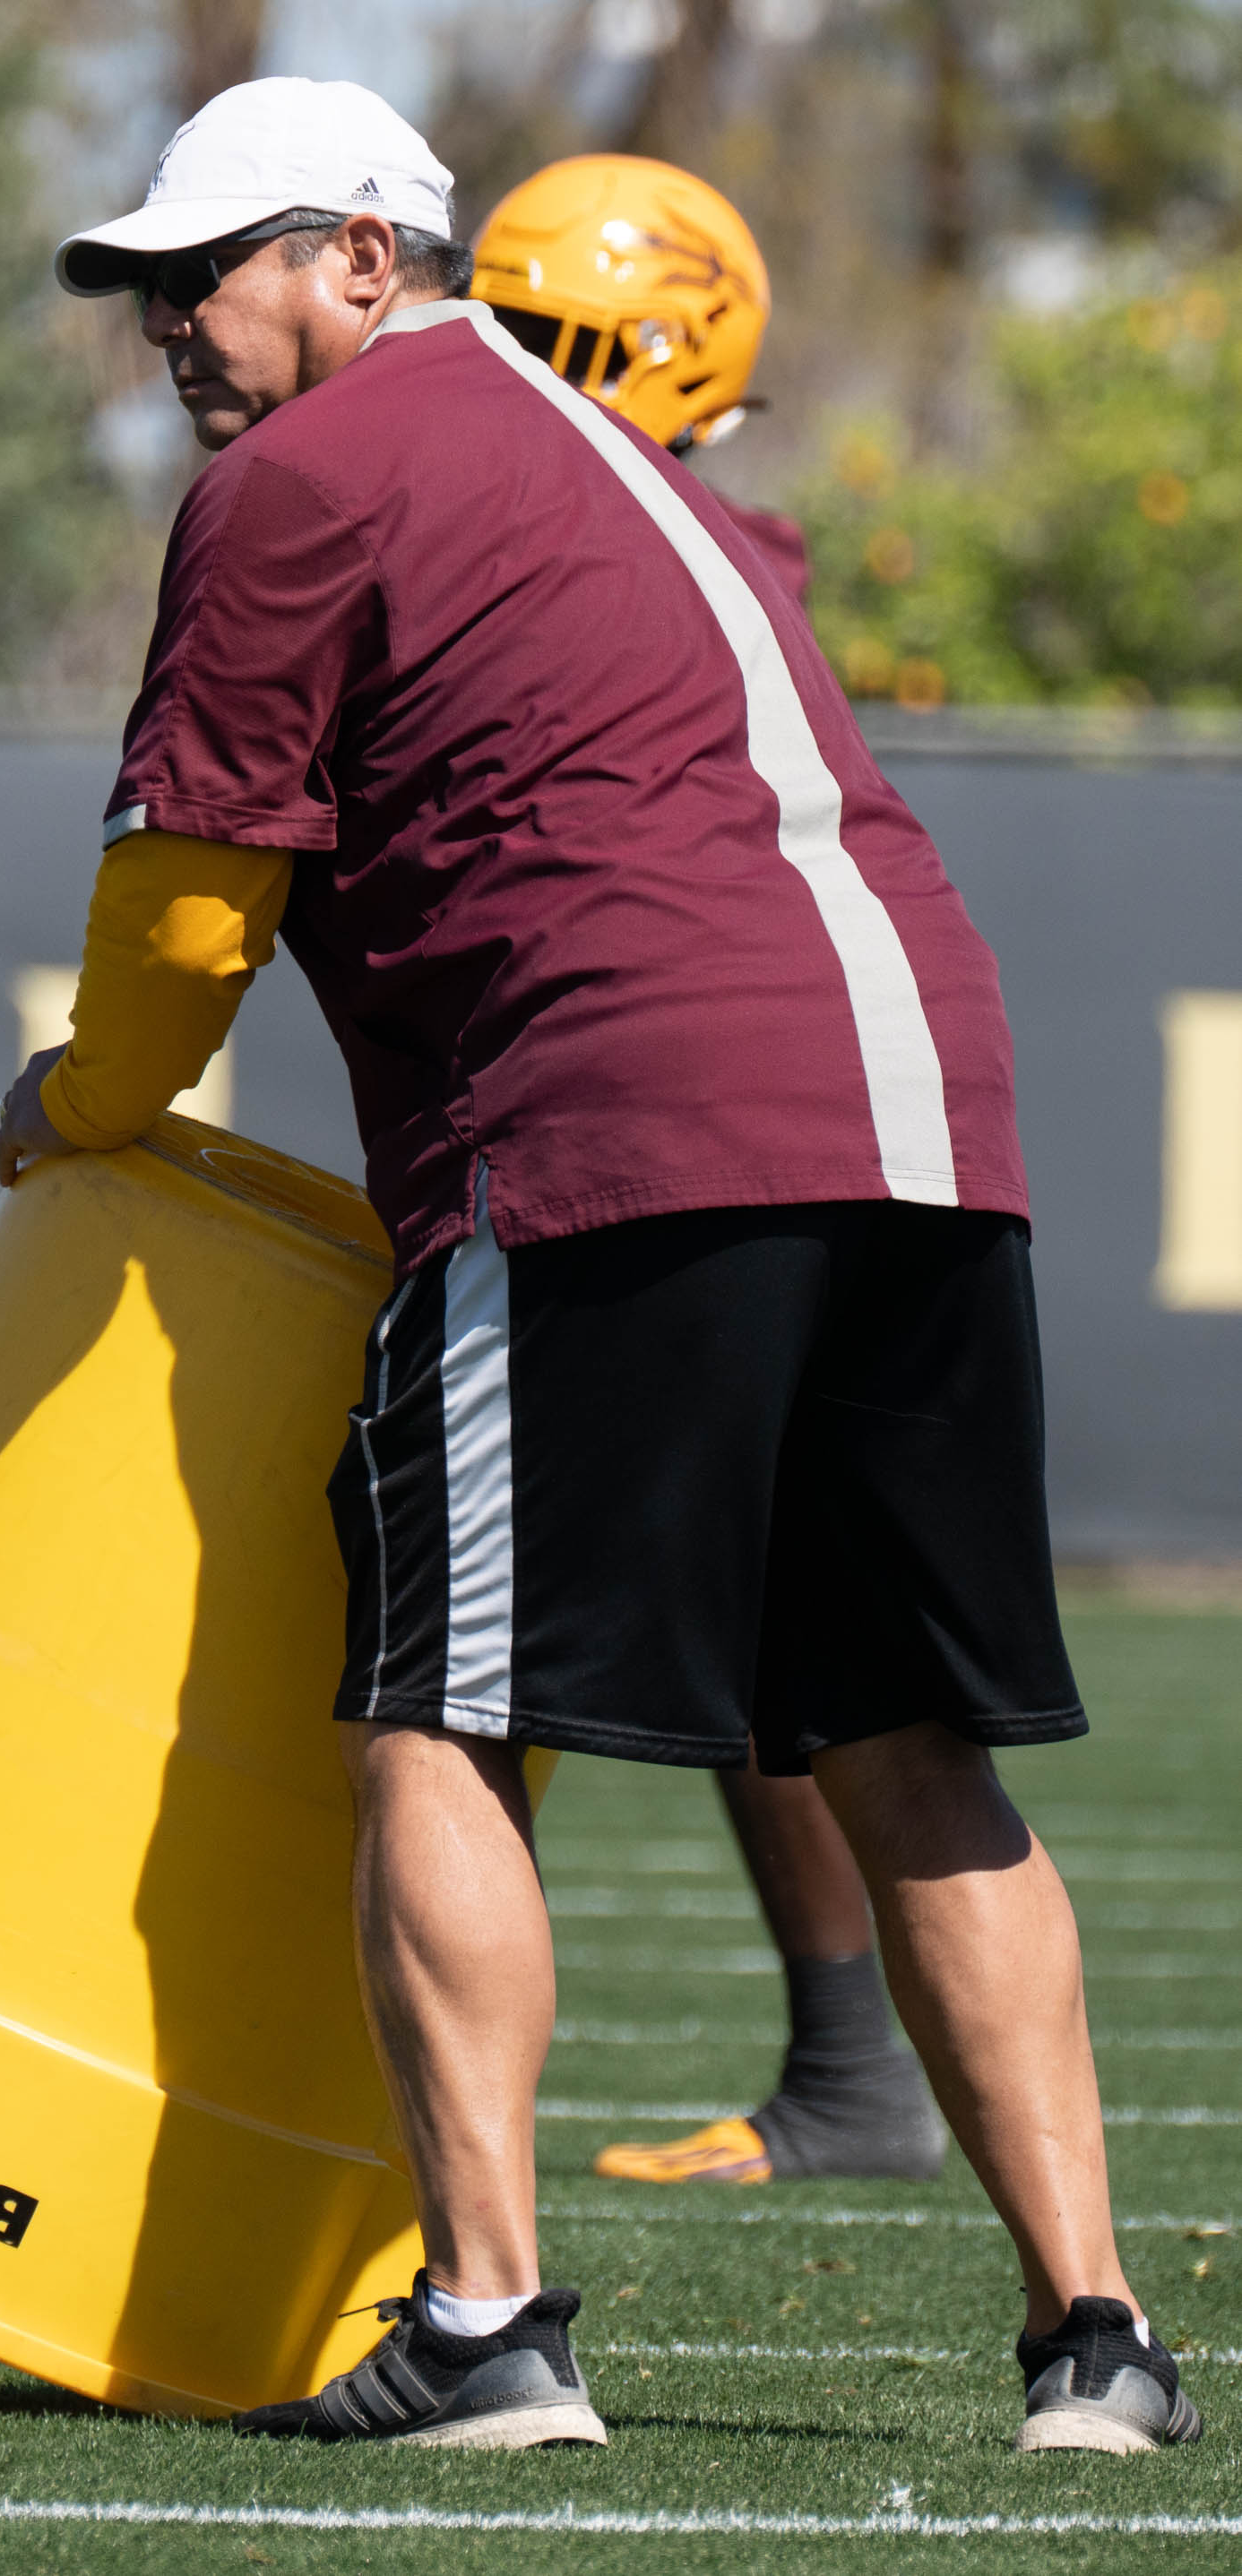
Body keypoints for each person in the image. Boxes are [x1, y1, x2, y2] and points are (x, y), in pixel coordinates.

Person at [7, 79, 1194, 2454]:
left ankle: (484, 2321)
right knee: (904, 1729)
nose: (167, 326)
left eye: (203, 273)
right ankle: (1098, 2337)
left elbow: (190, 909)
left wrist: (91, 1099)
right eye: (146, 290)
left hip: (614, 1118)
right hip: (920, 1112)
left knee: (437, 1708)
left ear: (361, 257)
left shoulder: (306, 477)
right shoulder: (653, 472)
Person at [475, 154, 945, 2192]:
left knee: (463, 1656)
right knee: (784, 1620)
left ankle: (419, 2170)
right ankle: (866, 2084)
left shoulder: (582, 535)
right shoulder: (714, 534)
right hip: (843, 1100)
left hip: (685, 1121)